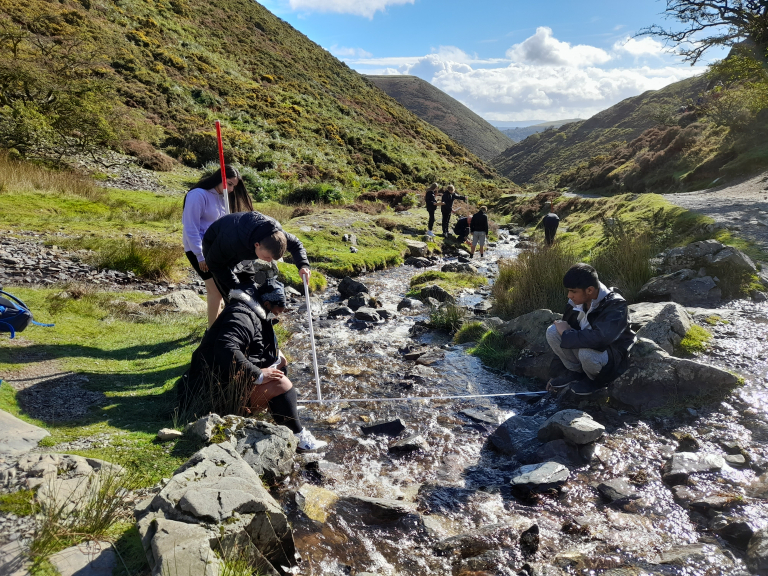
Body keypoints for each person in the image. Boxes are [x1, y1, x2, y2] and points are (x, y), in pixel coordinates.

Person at [181, 279, 328, 451]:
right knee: (280, 382)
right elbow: (225, 348)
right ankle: (300, 440)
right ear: (266, 304)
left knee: (280, 364)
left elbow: (254, 347)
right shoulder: (241, 316)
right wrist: (257, 374)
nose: (277, 316)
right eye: (276, 312)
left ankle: (285, 411)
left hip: (223, 377)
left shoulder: (253, 310)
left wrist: (274, 360)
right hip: (209, 392)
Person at [545, 263, 635, 396]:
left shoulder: (616, 305)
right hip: (587, 349)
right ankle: (576, 373)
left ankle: (597, 381)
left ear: (590, 290)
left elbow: (600, 339)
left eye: (573, 291)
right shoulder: (574, 303)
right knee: (552, 331)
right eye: (569, 291)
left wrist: (565, 332)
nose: (569, 295)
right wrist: (555, 374)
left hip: (611, 356)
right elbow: (564, 342)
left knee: (586, 353)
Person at [182, 166, 254, 327]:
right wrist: (200, 255)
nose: (230, 189)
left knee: (219, 291)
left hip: (219, 250)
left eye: (234, 186)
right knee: (215, 291)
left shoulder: (222, 197)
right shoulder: (198, 195)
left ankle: (216, 327)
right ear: (219, 178)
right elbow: (190, 227)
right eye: (229, 184)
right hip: (199, 250)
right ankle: (213, 330)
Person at [202, 211, 311, 306]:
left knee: (250, 286)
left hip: (245, 250)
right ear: (257, 245)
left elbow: (296, 244)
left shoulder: (276, 234)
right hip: (216, 247)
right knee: (233, 294)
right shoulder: (231, 240)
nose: (269, 261)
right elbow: (214, 263)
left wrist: (303, 265)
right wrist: (236, 287)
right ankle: (232, 317)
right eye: (267, 257)